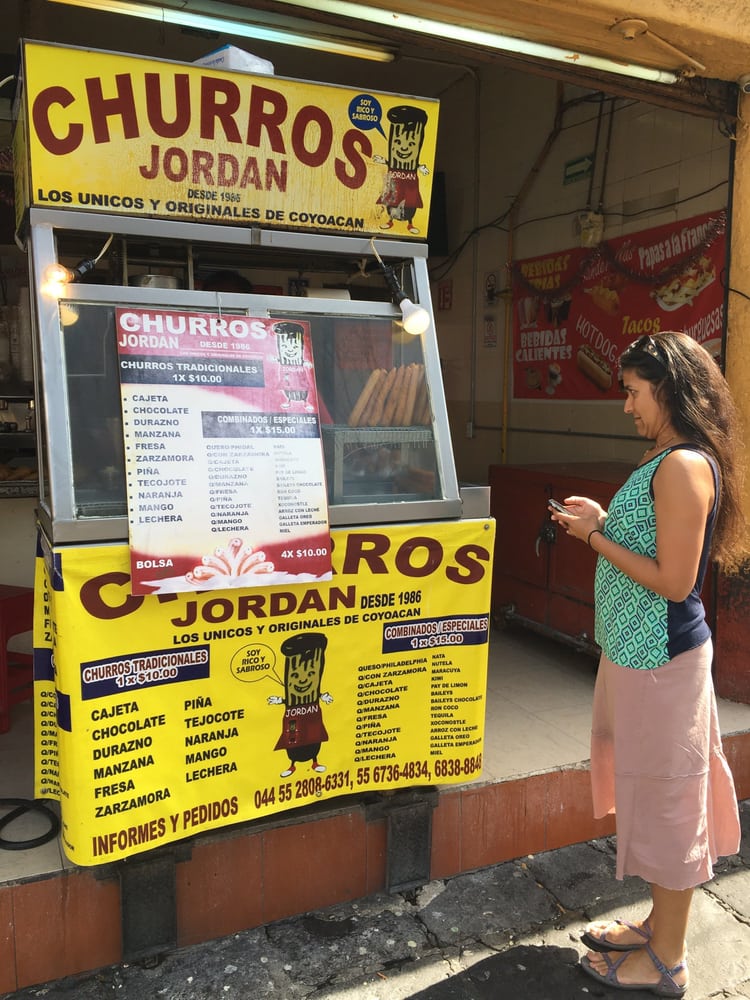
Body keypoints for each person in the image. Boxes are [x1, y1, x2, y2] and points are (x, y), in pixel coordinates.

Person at [549, 331, 746, 997]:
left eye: (633, 391)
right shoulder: (666, 457)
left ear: (668, 388)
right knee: (655, 792)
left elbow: (673, 581)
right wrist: (604, 519)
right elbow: (654, 544)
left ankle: (668, 961)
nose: (627, 405)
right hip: (639, 657)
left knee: (669, 803)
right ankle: (658, 929)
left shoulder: (685, 464)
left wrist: (596, 536)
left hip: (663, 661)